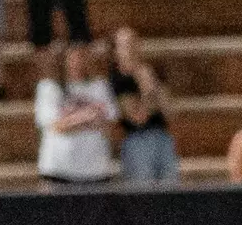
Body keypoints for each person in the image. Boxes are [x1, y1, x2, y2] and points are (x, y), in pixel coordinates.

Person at [34, 43, 114, 184]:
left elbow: (111, 124)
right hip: (58, 169)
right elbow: (55, 126)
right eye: (72, 59)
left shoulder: (100, 86)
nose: (77, 63)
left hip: (96, 169)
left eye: (81, 58)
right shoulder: (48, 88)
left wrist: (72, 122)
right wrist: (87, 117)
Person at [110, 27, 178, 183]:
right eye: (125, 45)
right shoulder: (118, 80)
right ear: (116, 51)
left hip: (162, 136)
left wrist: (151, 81)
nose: (131, 49)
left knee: (171, 190)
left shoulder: (152, 71)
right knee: (143, 191)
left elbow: (169, 111)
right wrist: (146, 87)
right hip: (137, 140)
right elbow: (138, 118)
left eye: (133, 43)